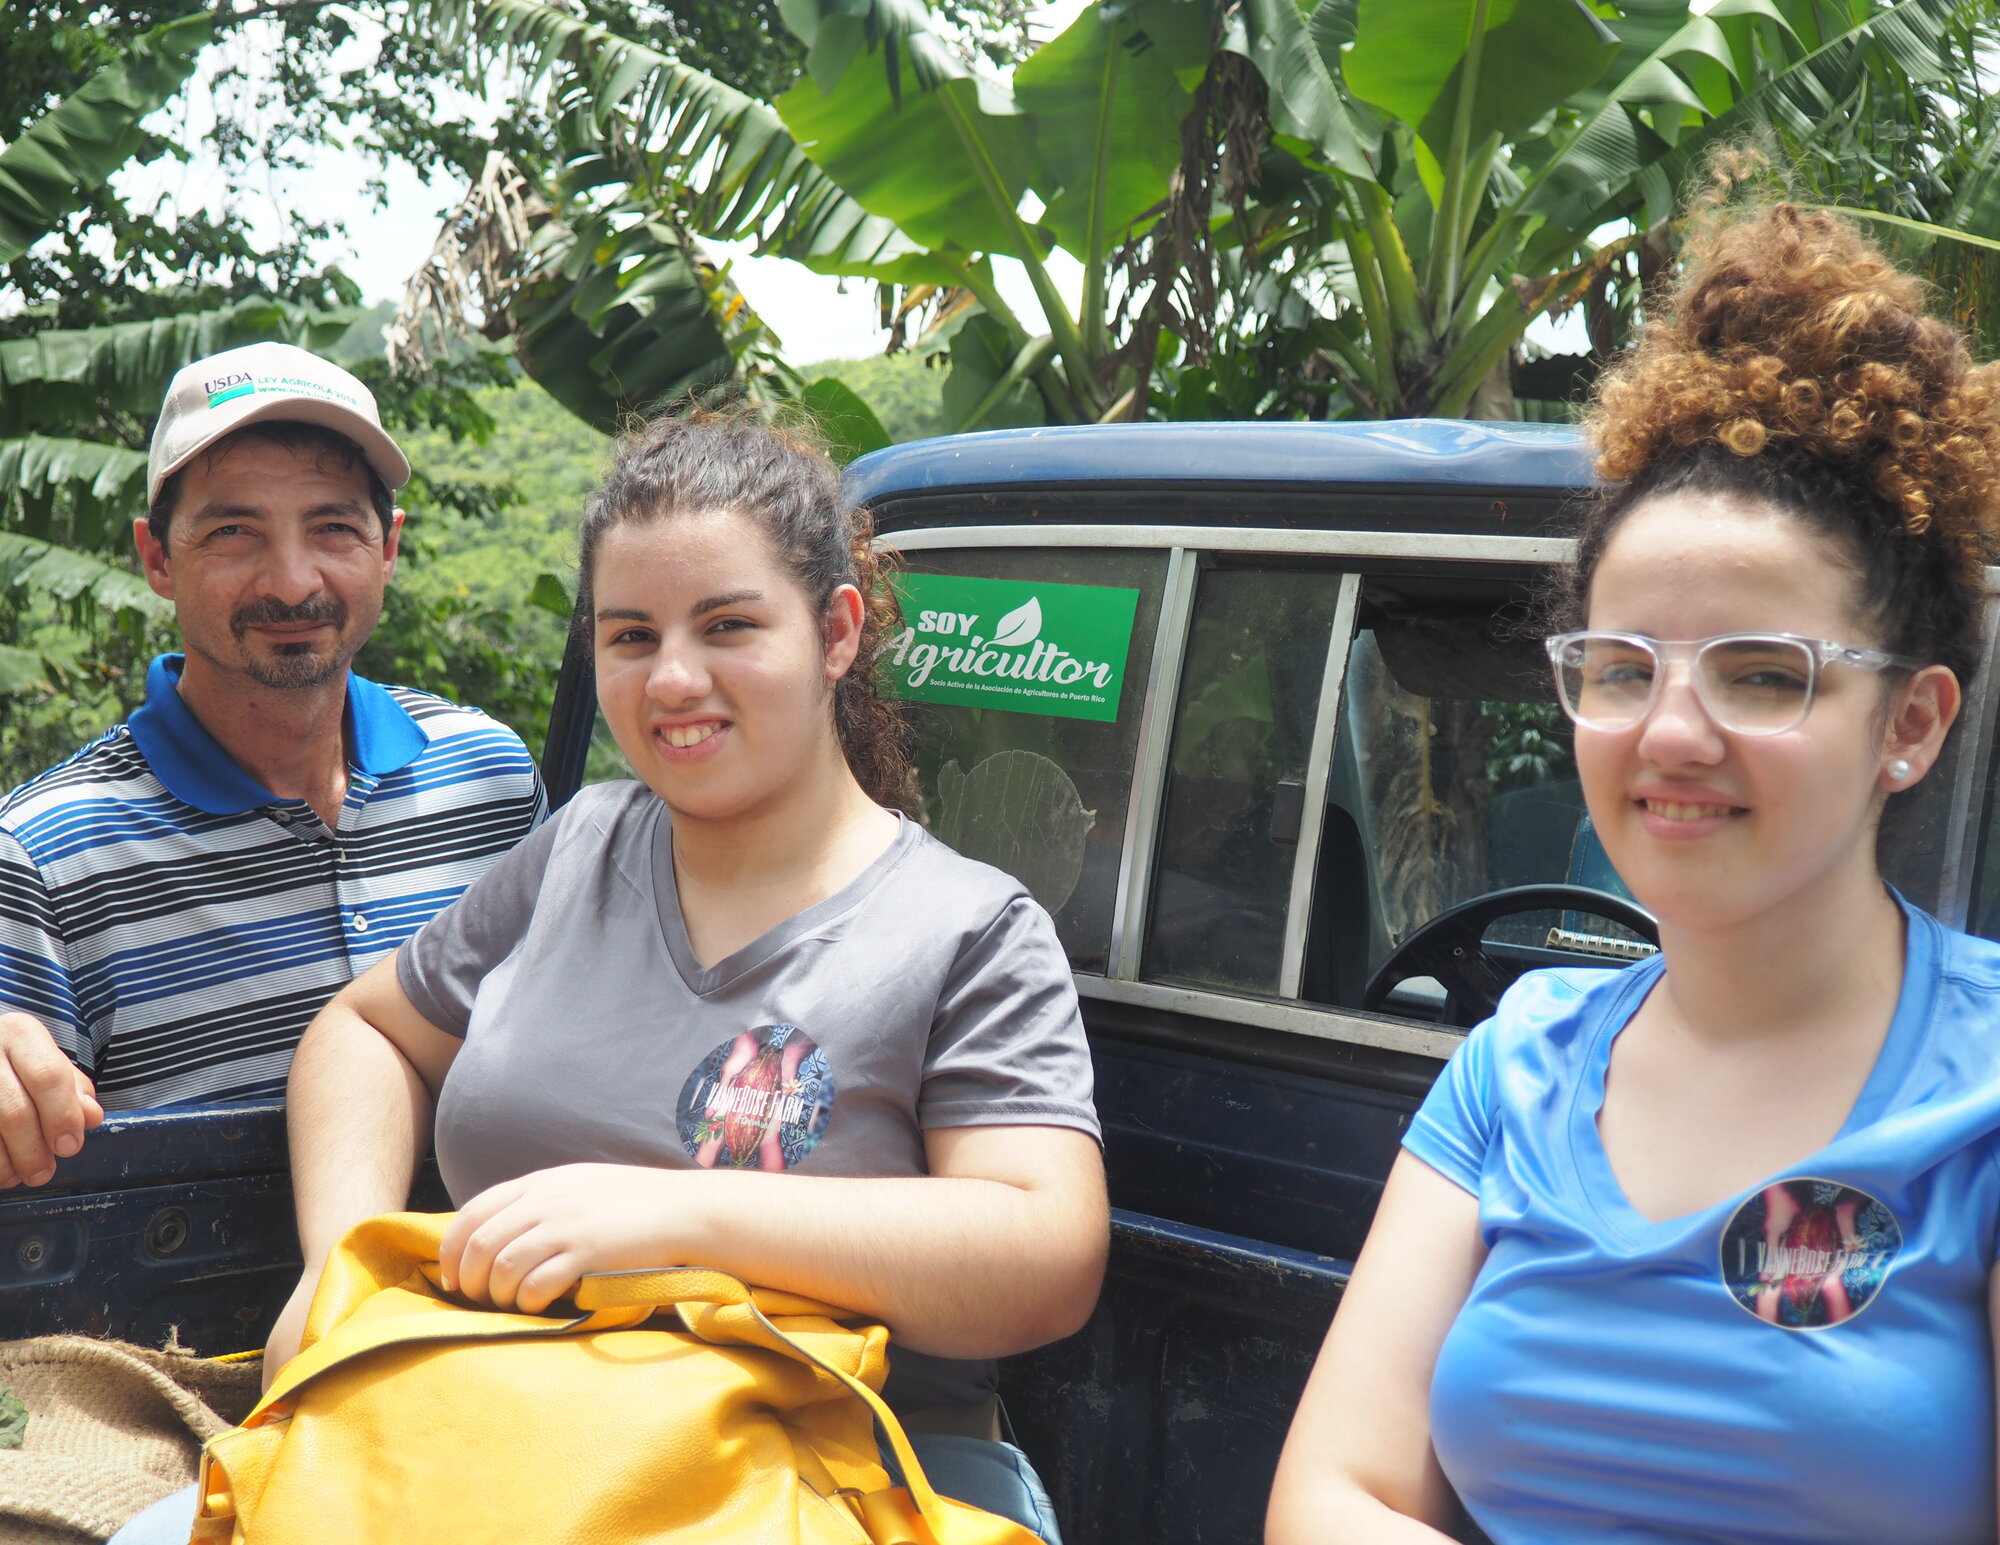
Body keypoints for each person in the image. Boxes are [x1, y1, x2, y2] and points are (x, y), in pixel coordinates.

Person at [111, 411, 1108, 1545]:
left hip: (813, 1472)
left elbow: (1043, 1254)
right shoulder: (580, 846)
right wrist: (340, 1266)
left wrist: (673, 1215)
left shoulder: (965, 930)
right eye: (631, 637)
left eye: (727, 625)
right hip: (478, 1429)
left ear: (834, 633)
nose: (673, 679)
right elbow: (369, 1029)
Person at [1266, 190, 2000, 1544]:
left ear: (1911, 724)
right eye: (1622, 669)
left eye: (1762, 673)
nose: (1670, 732)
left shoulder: (1983, 1089)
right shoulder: (1517, 1061)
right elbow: (1333, 1495)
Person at [0, 342, 545, 1184]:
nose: (292, 583)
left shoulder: (491, 781)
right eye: (233, 531)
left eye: (333, 527)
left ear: (388, 546)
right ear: (157, 559)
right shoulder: (46, 854)